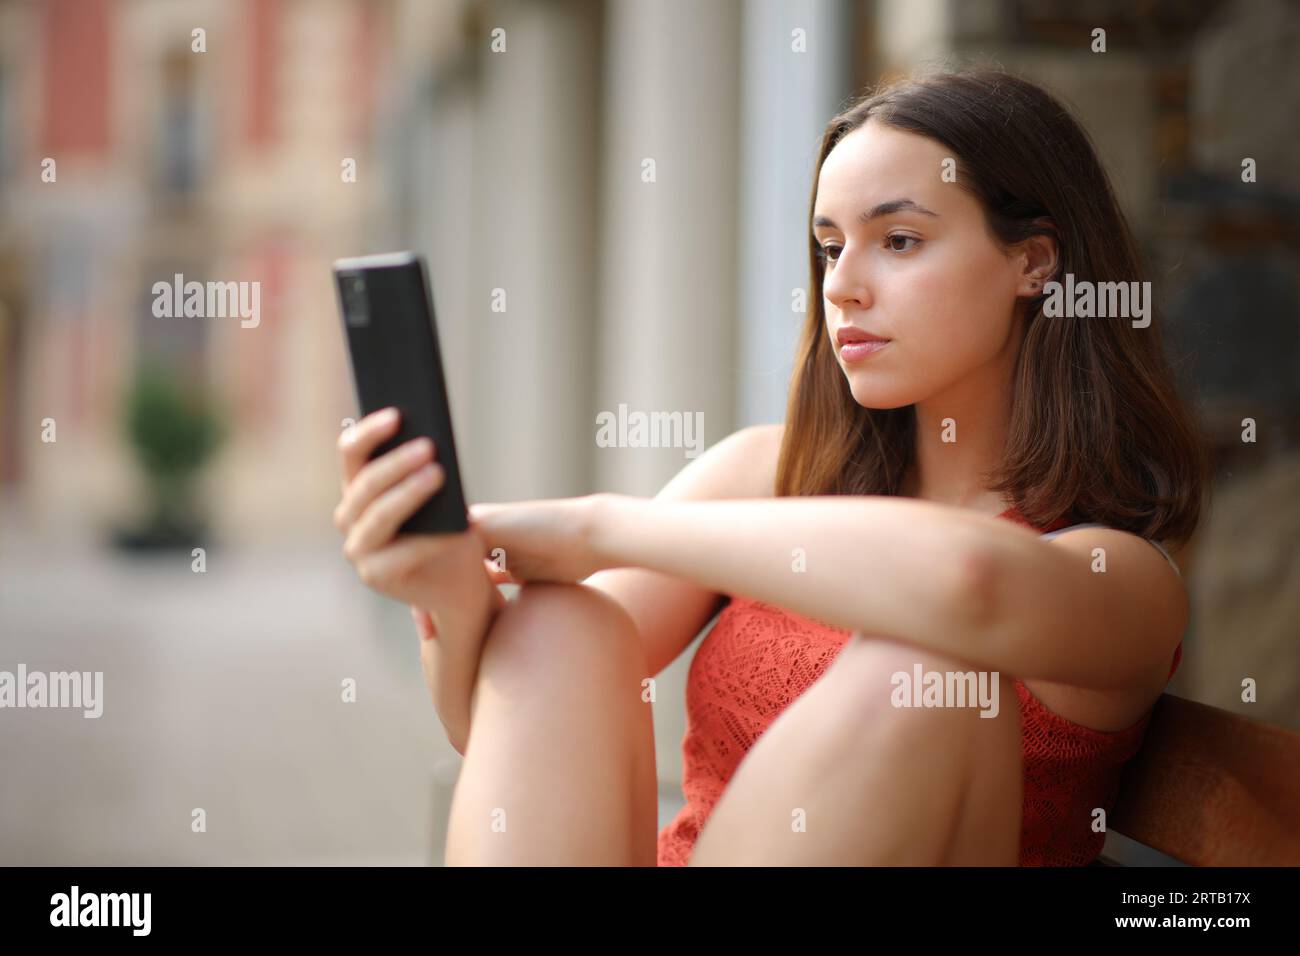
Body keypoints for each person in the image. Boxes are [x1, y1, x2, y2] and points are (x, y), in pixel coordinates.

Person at [332, 67, 1208, 866]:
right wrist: (449, 590)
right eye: (830, 247)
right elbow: (506, 724)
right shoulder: (770, 474)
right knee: (563, 623)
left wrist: (599, 524)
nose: (842, 286)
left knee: (928, 676)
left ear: (1033, 262)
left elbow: (966, 584)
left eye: (897, 240)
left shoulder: (1119, 575)